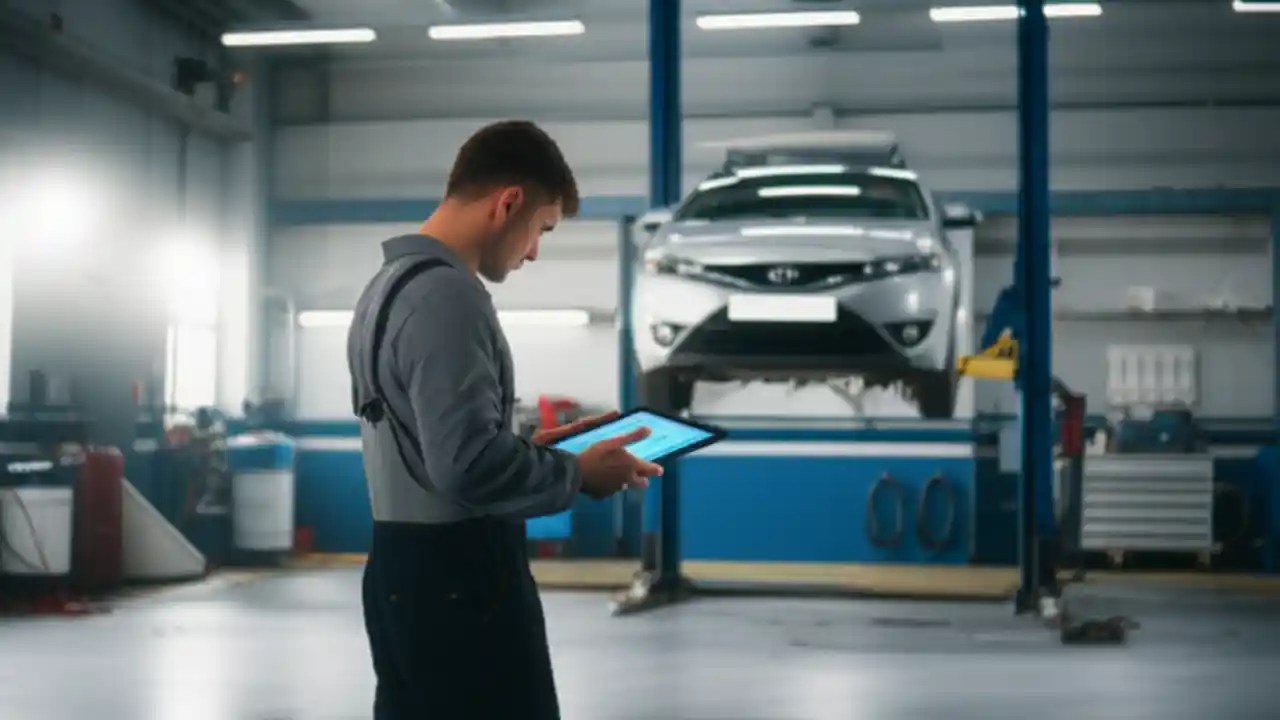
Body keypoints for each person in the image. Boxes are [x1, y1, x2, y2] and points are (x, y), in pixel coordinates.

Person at [346, 119, 664, 720]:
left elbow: (429, 446)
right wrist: (575, 475)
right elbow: (465, 468)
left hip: (401, 571)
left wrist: (533, 450)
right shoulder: (449, 296)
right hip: (461, 583)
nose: (535, 251)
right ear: (508, 203)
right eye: (540, 229)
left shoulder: (385, 288)